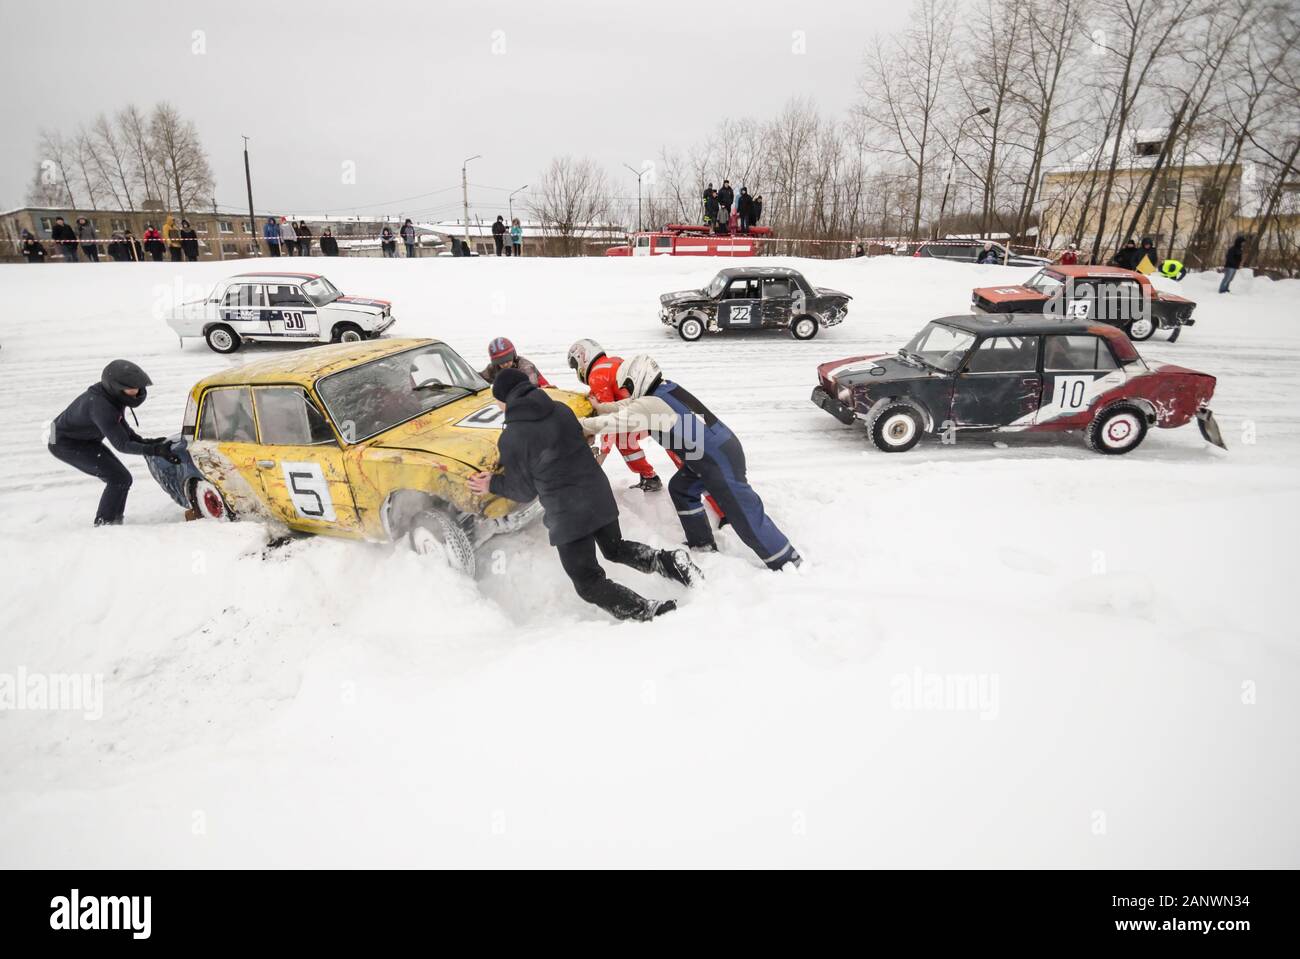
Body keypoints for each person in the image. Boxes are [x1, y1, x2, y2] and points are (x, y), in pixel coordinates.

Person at [466, 369, 695, 622]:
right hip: (597, 494)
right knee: (615, 548)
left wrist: (493, 484)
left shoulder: (513, 437)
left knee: (588, 582)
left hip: (568, 514)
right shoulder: (561, 409)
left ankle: (646, 612)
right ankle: (670, 561)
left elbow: (523, 490)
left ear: (504, 399)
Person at [580, 355, 800, 571]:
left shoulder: (651, 403)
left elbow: (617, 421)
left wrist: (581, 424)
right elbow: (628, 406)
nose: (627, 390)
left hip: (716, 458)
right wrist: (601, 407)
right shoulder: (665, 389)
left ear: (637, 378)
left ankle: (787, 560)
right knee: (681, 489)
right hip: (714, 452)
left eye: (628, 385)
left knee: (744, 513)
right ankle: (702, 544)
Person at [48, 360, 180, 527]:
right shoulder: (101, 406)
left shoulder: (111, 395)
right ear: (115, 387)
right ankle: (106, 524)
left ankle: (112, 521)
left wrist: (146, 442)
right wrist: (154, 449)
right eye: (131, 389)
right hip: (64, 442)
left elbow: (121, 427)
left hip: (82, 437)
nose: (136, 392)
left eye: (138, 388)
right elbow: (122, 444)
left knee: (122, 478)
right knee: (118, 478)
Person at [567, 339, 662, 492]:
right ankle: (652, 477)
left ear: (581, 358)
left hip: (641, 413)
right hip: (651, 405)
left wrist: (602, 454)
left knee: (622, 438)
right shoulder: (612, 361)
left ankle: (650, 477)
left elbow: (609, 421)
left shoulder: (597, 376)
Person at [480, 336, 550, 386]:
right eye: (501, 362)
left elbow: (532, 387)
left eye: (507, 360)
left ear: (513, 355)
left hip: (543, 390)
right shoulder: (493, 368)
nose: (505, 364)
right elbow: (478, 379)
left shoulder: (526, 367)